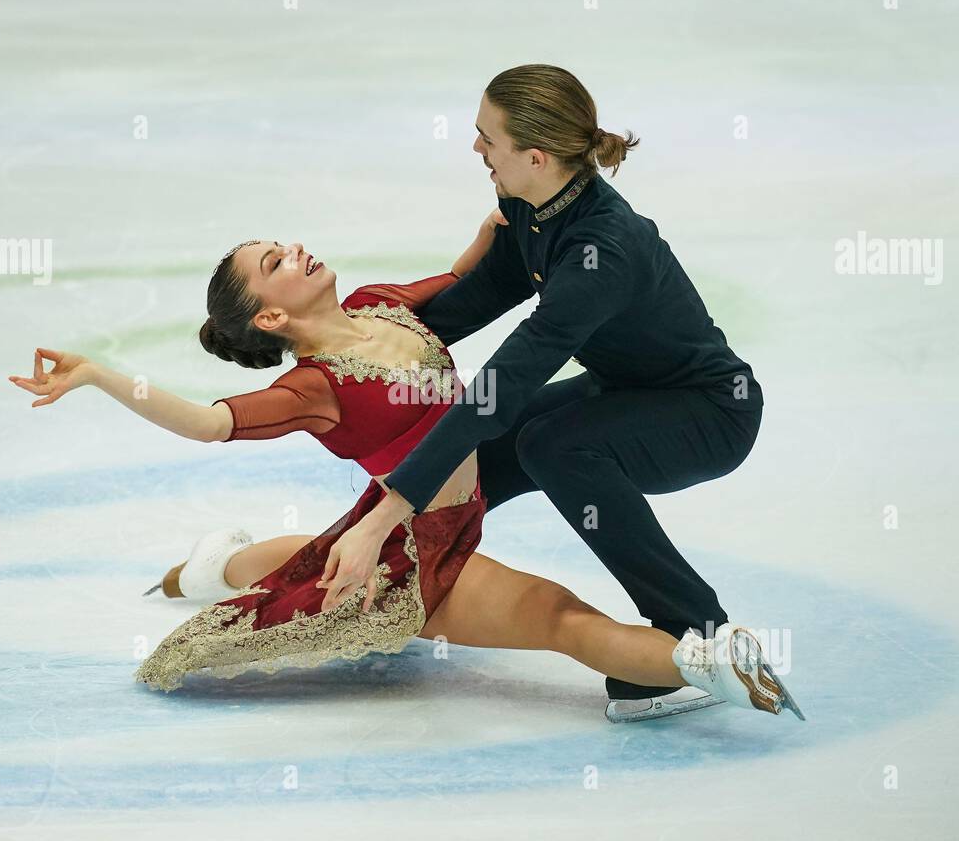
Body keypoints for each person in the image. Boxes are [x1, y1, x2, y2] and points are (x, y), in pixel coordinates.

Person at [7, 227, 801, 721]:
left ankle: (217, 562)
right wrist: (101, 376)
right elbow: (212, 422)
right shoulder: (312, 390)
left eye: (283, 240)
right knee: (559, 620)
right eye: (276, 261)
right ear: (272, 318)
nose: (296, 248)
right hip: (417, 552)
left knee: (302, 556)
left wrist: (524, 204)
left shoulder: (381, 305)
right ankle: (709, 664)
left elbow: (467, 277)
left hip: (426, 506)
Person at [317, 63, 795, 723]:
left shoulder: (607, 249)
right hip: (626, 391)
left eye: (487, 138)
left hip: (708, 414)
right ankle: (371, 586)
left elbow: (501, 385)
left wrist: (385, 511)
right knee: (486, 460)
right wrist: (343, 347)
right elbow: (459, 312)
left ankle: (698, 633)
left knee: (553, 445)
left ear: (535, 157)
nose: (476, 150)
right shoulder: (533, 209)